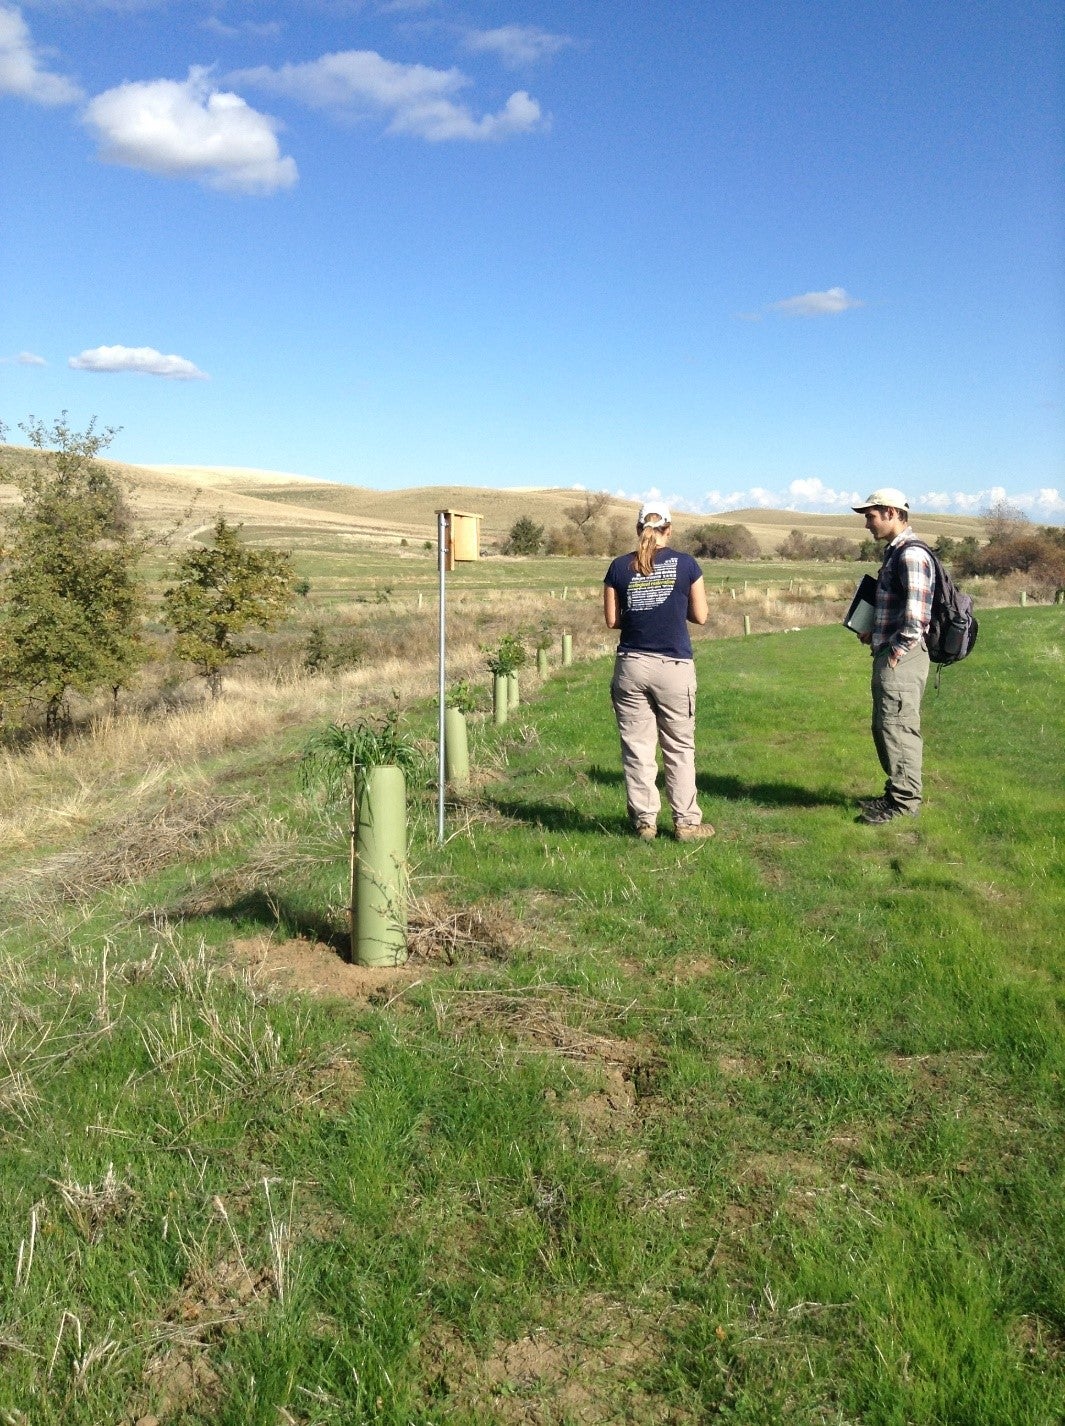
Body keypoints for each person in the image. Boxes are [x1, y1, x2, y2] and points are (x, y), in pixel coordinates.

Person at [603, 502, 713, 841]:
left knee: (637, 748)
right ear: (670, 529)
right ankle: (686, 824)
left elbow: (612, 621)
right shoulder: (687, 564)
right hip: (674, 666)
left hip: (631, 666)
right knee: (678, 748)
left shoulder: (618, 567)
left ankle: (644, 822)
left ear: (638, 529)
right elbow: (701, 615)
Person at [852, 488, 935, 825]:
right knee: (886, 726)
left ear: (889, 512)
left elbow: (917, 617)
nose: (867, 524)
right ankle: (896, 792)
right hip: (892, 649)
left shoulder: (910, 555)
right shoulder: (895, 553)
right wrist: (877, 633)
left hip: (903, 655)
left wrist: (897, 651)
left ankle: (903, 804)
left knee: (898, 727)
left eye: (870, 516)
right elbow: (900, 609)